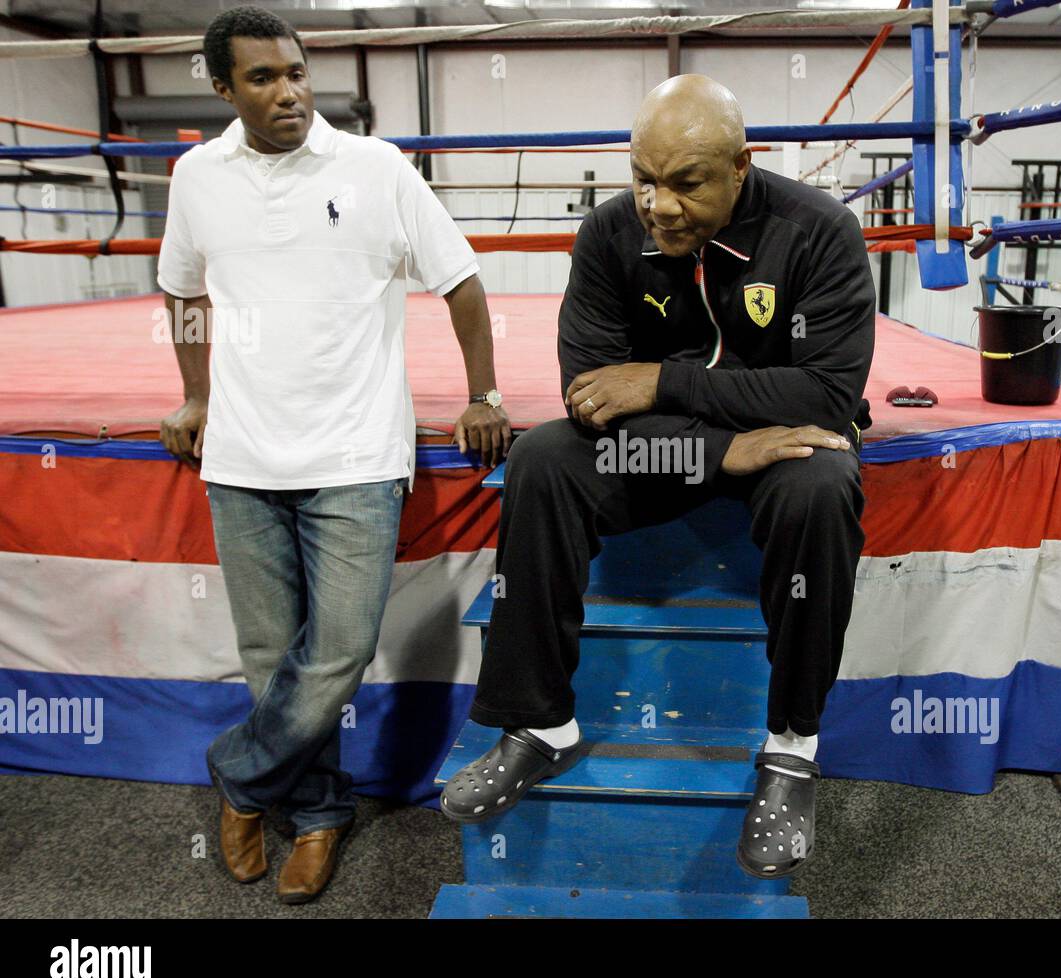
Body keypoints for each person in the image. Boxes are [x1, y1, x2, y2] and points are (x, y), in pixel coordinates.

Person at [441, 74, 874, 878]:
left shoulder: (817, 231)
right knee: (542, 459)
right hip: (663, 454)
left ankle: (791, 747)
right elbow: (590, 393)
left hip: (780, 454)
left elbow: (826, 392)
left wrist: (665, 381)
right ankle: (540, 722)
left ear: (742, 165)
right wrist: (717, 448)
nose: (659, 205)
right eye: (644, 179)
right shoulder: (609, 235)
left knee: (821, 483)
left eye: (685, 183)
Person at [157, 4, 510, 903]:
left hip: (355, 454)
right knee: (272, 655)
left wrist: (485, 393)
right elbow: (184, 292)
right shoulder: (196, 176)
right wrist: (197, 394)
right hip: (240, 460)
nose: (290, 92)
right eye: (264, 78)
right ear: (223, 86)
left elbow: (462, 279)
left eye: (298, 72)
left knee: (341, 650)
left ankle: (239, 775)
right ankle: (315, 813)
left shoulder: (375, 168)